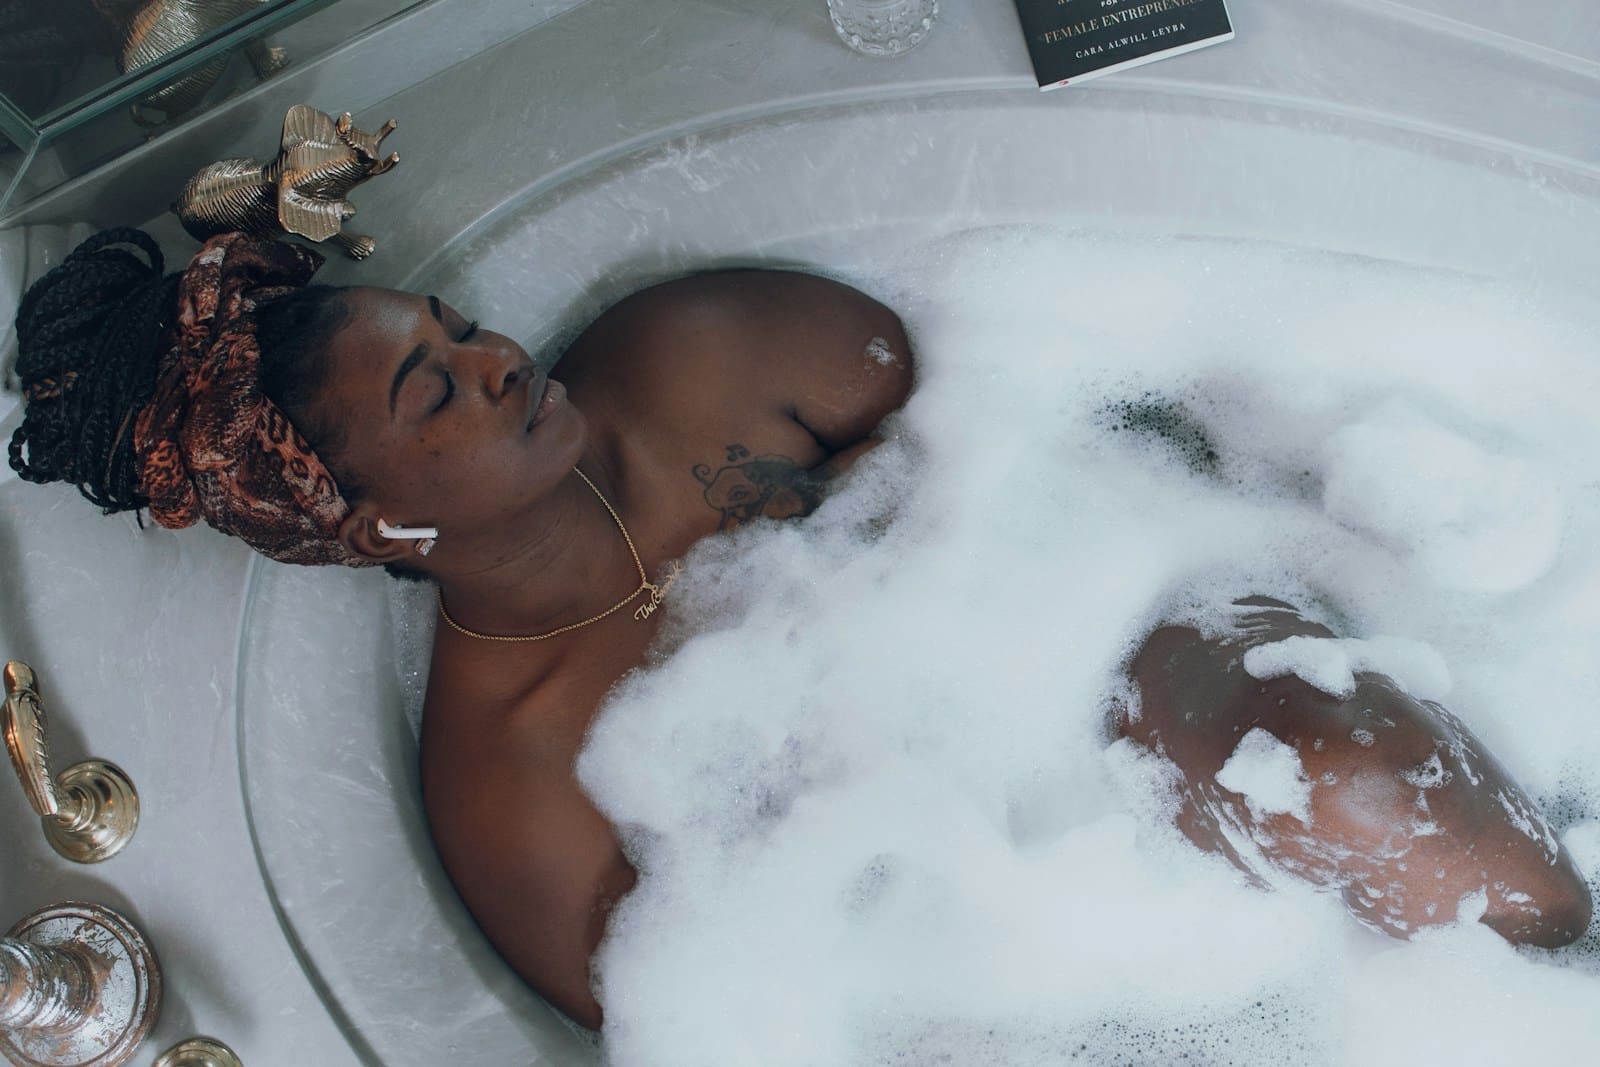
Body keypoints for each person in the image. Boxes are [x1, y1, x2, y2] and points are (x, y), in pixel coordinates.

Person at [9, 230, 1591, 1030]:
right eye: (437, 389)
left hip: (1118, 630)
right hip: (1004, 910)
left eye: (456, 330)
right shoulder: (518, 781)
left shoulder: (705, 354)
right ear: (374, 527)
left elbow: (1081, 428)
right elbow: (754, 1014)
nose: (495, 362)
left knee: (1351, 778)